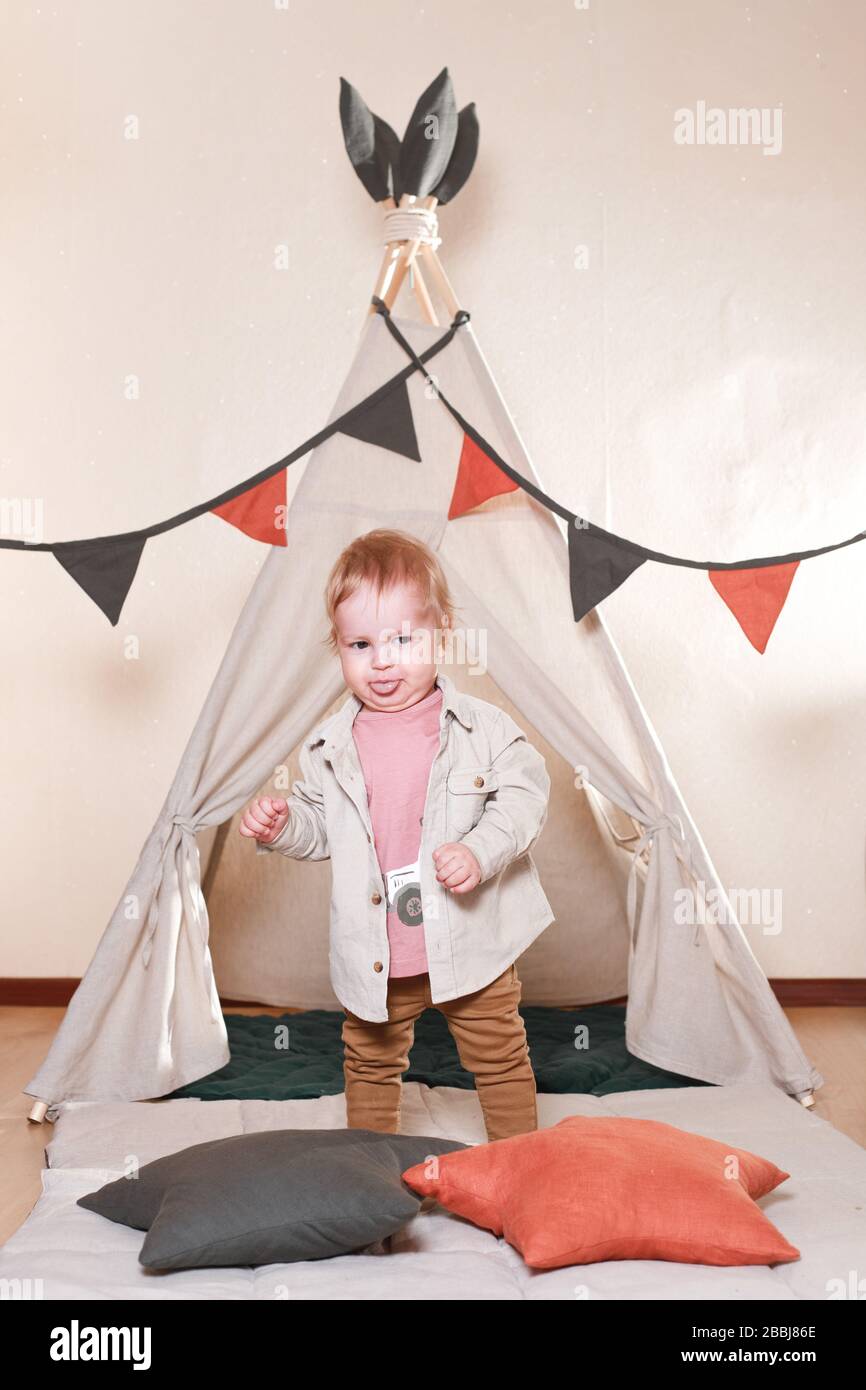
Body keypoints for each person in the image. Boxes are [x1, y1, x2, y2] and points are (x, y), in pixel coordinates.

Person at [240, 528, 555, 1141]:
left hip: (471, 938)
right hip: (381, 948)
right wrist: (283, 827)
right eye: (360, 644)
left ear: (442, 634)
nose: (382, 660)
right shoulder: (331, 745)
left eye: (403, 640)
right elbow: (319, 827)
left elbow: (525, 794)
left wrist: (479, 851)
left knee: (499, 1052)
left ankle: (521, 1167)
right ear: (338, 648)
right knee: (370, 1060)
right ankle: (373, 1175)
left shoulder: (480, 727)